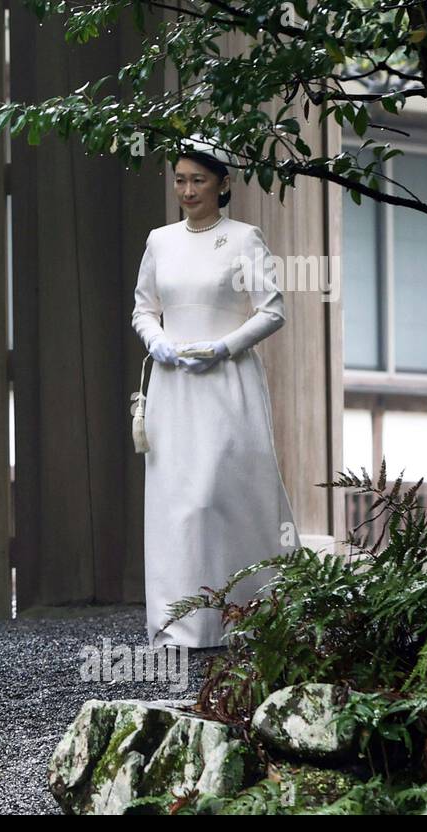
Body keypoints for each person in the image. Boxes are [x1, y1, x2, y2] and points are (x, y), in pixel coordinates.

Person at [131, 137, 299, 648]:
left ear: (223, 184)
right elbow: (144, 307)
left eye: (197, 180)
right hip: (173, 383)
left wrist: (224, 347)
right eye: (179, 180)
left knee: (217, 495)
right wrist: (158, 341)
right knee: (176, 498)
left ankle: (242, 615)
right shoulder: (160, 241)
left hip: (226, 381)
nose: (186, 189)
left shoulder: (245, 238)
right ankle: (178, 625)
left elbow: (272, 309)